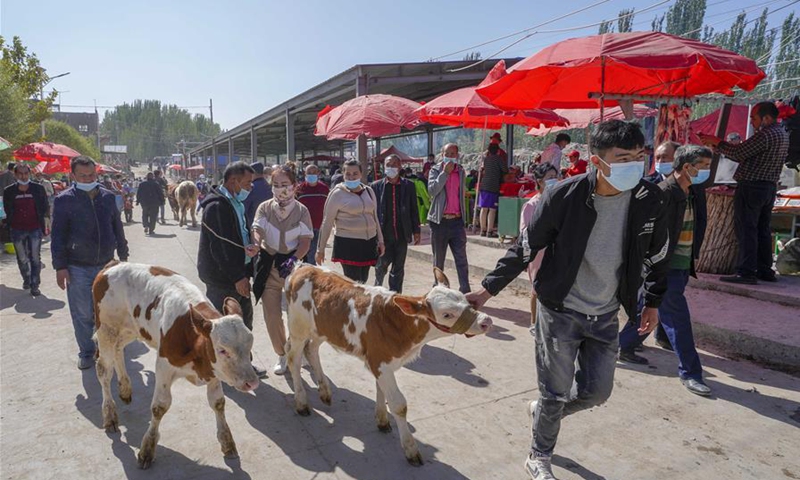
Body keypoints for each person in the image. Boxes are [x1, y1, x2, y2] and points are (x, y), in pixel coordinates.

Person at [466, 120, 669, 480]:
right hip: (560, 310)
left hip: (606, 313)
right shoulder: (564, 196)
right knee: (555, 391)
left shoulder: (649, 199)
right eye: (623, 157)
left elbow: (657, 254)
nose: (634, 165)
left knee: (596, 393)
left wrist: (652, 301)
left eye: (639, 156)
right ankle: (539, 454)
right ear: (597, 161)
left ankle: (544, 410)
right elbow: (525, 248)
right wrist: (485, 291)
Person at [618, 145, 713, 396]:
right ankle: (691, 373)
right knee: (677, 317)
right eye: (703, 166)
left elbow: (699, 223)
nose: (707, 171)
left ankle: (622, 345)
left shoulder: (694, 191)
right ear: (686, 167)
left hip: (682, 263)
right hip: (663, 266)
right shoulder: (662, 193)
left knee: (651, 309)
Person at [51, 156, 129, 370]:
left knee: (110, 311)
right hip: (78, 267)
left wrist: (123, 254)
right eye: (83, 176)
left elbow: (117, 226)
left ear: (97, 173)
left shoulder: (108, 197)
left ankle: (111, 346)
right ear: (73, 176)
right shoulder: (64, 200)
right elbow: (57, 235)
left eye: (91, 175)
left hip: (107, 265)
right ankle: (87, 351)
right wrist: (60, 267)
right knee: (83, 312)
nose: (88, 179)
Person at [700, 102, 790, 284]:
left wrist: (717, 142)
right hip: (768, 187)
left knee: (747, 229)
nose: (751, 122)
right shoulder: (781, 133)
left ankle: (746, 271)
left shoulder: (766, 134)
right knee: (762, 229)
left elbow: (739, 152)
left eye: (754, 118)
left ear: (766, 118)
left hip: (752, 187)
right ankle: (764, 269)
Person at [197, 161, 264, 376]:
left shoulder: (235, 202)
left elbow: (238, 236)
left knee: (243, 326)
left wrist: (249, 252)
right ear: (233, 181)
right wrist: (237, 277)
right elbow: (221, 248)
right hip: (223, 279)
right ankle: (224, 371)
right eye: (247, 183)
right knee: (224, 330)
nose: (250, 187)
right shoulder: (216, 207)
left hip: (239, 272)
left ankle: (244, 365)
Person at [252, 164, 313, 375]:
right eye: (276, 185)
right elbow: (257, 229)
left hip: (292, 269)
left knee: (297, 316)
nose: (280, 189)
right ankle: (282, 354)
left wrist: (294, 258)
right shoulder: (265, 208)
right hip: (269, 268)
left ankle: (299, 349)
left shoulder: (302, 211)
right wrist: (255, 243)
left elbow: (305, 242)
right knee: (272, 315)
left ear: (295, 186)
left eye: (285, 184)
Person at [316, 159, 384, 283]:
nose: (351, 177)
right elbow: (327, 222)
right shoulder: (337, 194)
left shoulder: (369, 191)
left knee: (363, 281)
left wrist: (381, 241)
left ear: (361, 174)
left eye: (355, 174)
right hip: (348, 244)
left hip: (368, 243)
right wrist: (320, 250)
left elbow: (375, 217)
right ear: (343, 174)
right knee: (353, 283)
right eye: (348, 174)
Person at [371, 154, 421, 293]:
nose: (391, 167)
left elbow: (413, 209)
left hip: (401, 234)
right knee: (381, 267)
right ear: (383, 167)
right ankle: (377, 294)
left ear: (400, 167)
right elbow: (372, 212)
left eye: (394, 164)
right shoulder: (376, 186)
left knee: (398, 269)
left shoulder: (408, 186)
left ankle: (395, 295)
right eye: (388, 165)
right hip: (383, 236)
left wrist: (416, 231)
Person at [518, 163, 559, 325]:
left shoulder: (561, 202)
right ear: (539, 181)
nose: (554, 181)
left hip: (558, 252)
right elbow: (525, 235)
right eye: (550, 178)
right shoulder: (531, 205)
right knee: (537, 290)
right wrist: (525, 259)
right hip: (538, 255)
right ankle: (534, 323)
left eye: (556, 177)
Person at [427, 144, 470, 293]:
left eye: (453, 154)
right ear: (442, 153)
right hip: (440, 221)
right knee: (439, 259)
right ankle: (439, 289)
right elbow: (432, 191)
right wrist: (444, 173)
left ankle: (465, 290)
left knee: (461, 259)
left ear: (457, 155)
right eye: (447, 153)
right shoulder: (435, 170)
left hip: (457, 222)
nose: (450, 156)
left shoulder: (461, 171)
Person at [3, 164, 50, 296]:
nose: (23, 176)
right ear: (15, 175)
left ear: (29, 174)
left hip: (35, 228)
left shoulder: (38, 189)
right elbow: (8, 209)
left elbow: (45, 206)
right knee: (22, 258)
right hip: (17, 229)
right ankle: (27, 279)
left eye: (26, 173)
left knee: (35, 257)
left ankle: (35, 285)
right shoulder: (9, 191)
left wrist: (46, 221)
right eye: (20, 174)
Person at [296, 163, 329, 265]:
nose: (311, 175)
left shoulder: (324, 189)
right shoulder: (299, 189)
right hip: (302, 228)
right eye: (309, 173)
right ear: (305, 174)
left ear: (318, 173)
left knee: (312, 255)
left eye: (314, 172)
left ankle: (310, 273)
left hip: (318, 227)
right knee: (302, 254)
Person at [477, 143, 508, 238]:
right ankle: (489, 231)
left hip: (484, 185)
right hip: (493, 186)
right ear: (498, 151)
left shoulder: (486, 159)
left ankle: (483, 230)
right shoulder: (498, 159)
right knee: (492, 209)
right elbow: (505, 170)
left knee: (484, 208)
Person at [244, 162, 273, 229]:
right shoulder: (270, 187)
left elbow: (244, 210)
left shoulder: (250, 188)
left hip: (253, 226)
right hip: (269, 227)